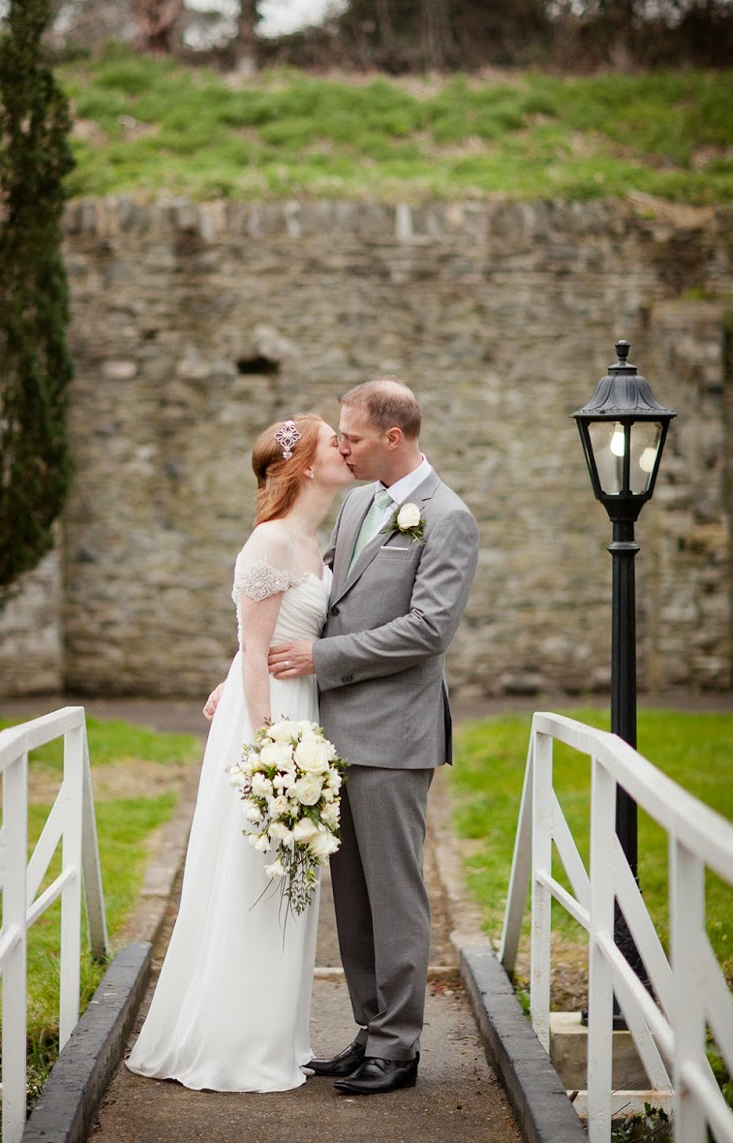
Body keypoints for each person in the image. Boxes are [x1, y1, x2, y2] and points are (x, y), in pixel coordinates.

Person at [124, 412, 353, 1091]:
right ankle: (231, 1042)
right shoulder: (269, 544)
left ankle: (276, 1034)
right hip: (272, 721)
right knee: (255, 874)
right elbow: (253, 647)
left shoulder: (315, 540)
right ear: (306, 465)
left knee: (293, 878)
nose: (344, 445)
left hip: (300, 709)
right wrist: (270, 747)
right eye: (331, 440)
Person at [267, 379, 479, 1095]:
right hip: (335, 731)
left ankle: (400, 1045)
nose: (343, 446)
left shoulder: (449, 518)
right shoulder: (358, 503)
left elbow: (428, 629)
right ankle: (369, 1028)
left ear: (394, 437)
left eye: (352, 436)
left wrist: (322, 659)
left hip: (395, 732)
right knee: (350, 894)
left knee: (394, 895)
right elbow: (322, 598)